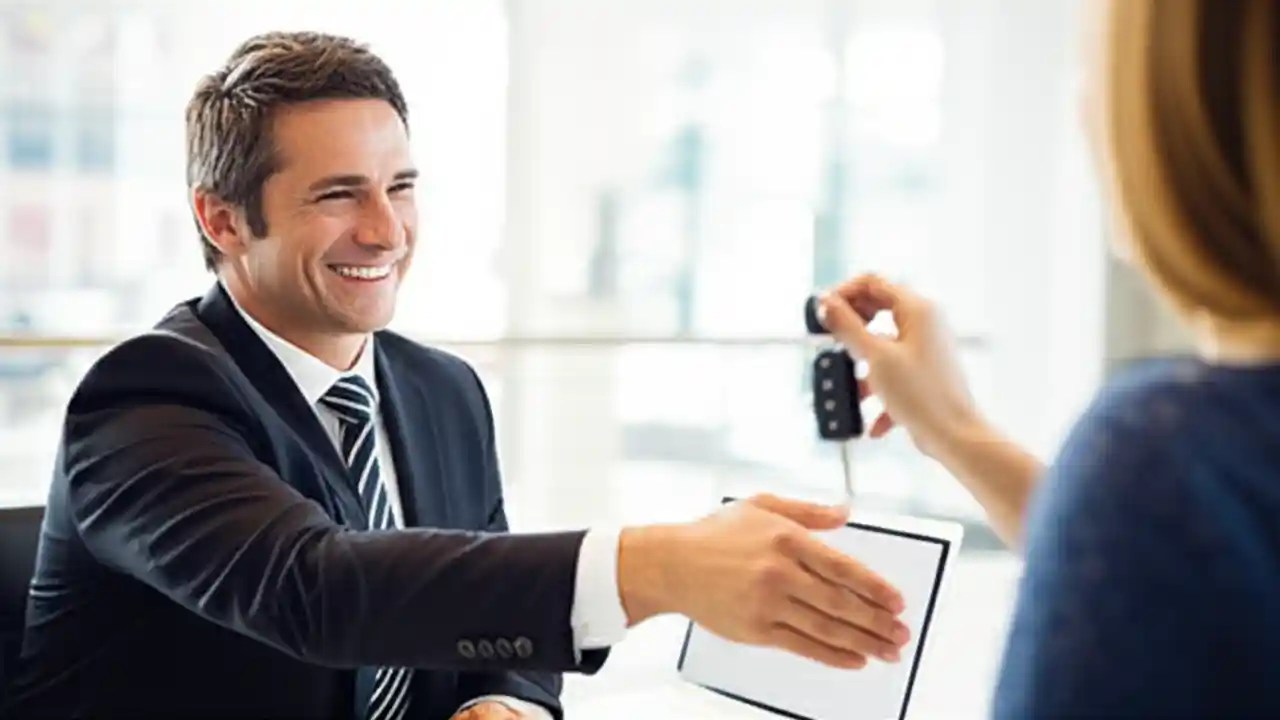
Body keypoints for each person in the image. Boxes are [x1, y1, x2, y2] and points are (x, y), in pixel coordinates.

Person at [6, 32, 911, 720]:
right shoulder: (147, 399)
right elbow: (316, 588)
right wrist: (657, 566)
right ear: (224, 220)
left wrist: (509, 701)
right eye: (337, 195)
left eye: (400, 186)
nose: (386, 230)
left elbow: (476, 588)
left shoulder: (441, 391)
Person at [817, 0, 1280, 716]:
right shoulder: (1199, 467)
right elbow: (1192, 584)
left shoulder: (1162, 450)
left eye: (1094, 67)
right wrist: (953, 431)